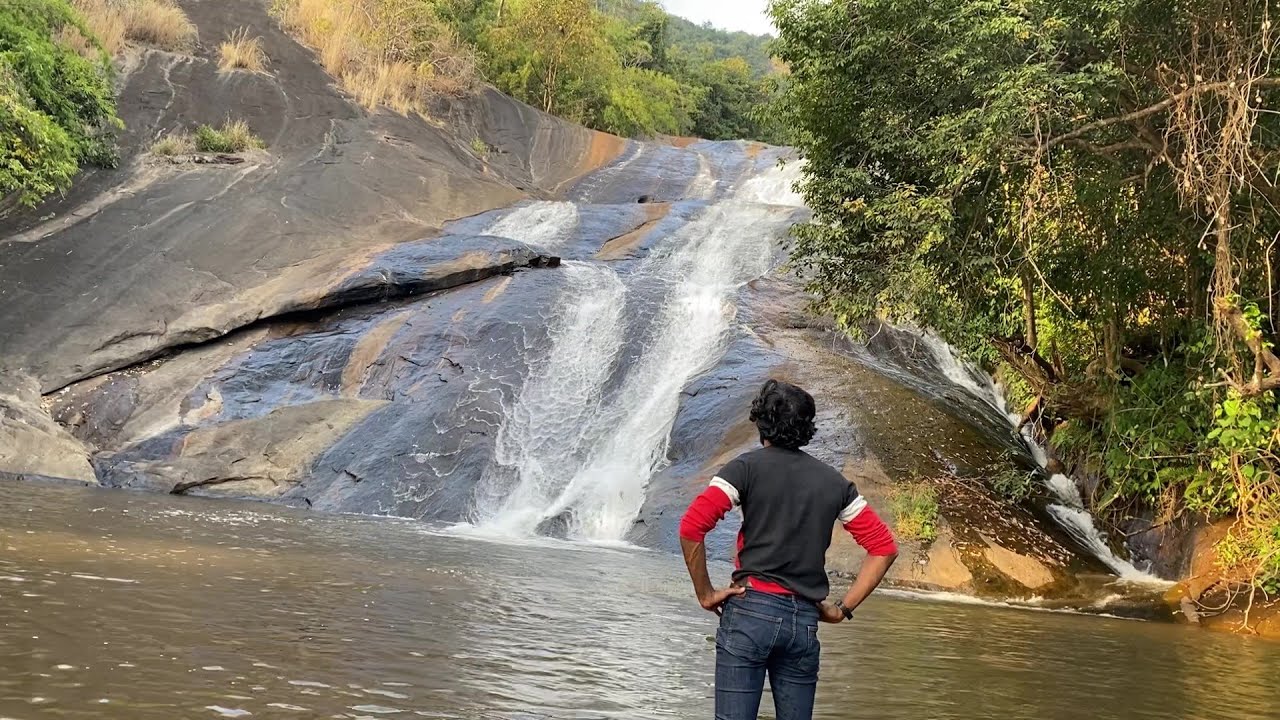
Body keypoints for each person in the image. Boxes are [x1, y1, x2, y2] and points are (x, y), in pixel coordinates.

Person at [678, 379, 899, 720]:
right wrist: (842, 608)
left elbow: (692, 527)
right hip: (802, 622)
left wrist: (706, 593)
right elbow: (883, 548)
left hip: (749, 613)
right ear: (807, 428)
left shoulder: (745, 469)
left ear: (760, 421)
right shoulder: (834, 483)